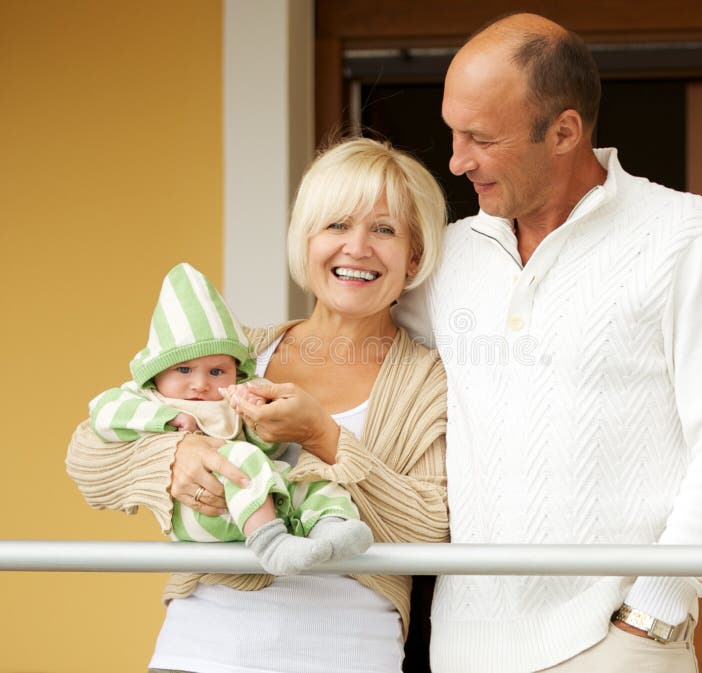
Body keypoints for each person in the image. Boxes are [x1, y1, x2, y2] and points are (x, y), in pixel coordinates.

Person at [393, 12, 702, 673]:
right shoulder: (446, 258)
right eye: (453, 131)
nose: (455, 160)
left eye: (479, 137)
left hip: (616, 644)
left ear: (564, 130)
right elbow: (354, 356)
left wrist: (653, 613)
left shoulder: (684, 238)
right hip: (461, 651)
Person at [67, 136, 449, 673]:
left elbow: (433, 528)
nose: (357, 247)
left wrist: (325, 437)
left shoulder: (430, 382)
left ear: (413, 256)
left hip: (351, 656)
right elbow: (88, 451)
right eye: (337, 224)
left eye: (384, 229)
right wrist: (173, 457)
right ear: (307, 240)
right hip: (199, 651)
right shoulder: (234, 353)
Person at [88, 261, 373, 575]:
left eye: (216, 372)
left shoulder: (231, 396)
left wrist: (258, 422)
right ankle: (273, 545)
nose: (200, 383)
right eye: (183, 370)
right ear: (156, 374)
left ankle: (331, 526)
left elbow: (274, 452)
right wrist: (167, 426)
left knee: (311, 477)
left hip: (254, 503)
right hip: (202, 514)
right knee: (240, 456)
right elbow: (101, 415)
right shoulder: (148, 397)